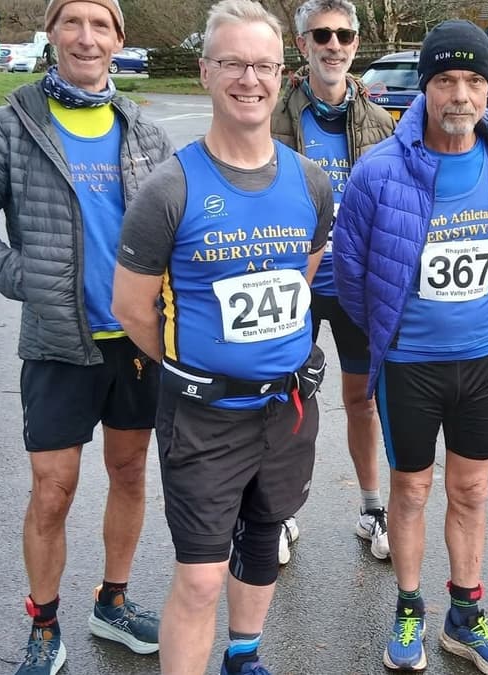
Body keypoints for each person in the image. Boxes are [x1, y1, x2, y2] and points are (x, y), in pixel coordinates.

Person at [0, 1, 175, 673]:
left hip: (136, 342)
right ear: (51, 32)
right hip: (57, 342)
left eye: (100, 24)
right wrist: (30, 281)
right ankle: (44, 623)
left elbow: (176, 230)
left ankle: (113, 600)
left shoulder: (144, 132)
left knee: (129, 472)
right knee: (53, 488)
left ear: (118, 39)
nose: (86, 37)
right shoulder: (10, 125)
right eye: (72, 21)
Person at [110, 1, 331, 673]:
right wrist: (199, 367)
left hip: (288, 411)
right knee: (202, 576)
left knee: (263, 543)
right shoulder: (169, 188)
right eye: (232, 63)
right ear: (205, 72)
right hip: (204, 419)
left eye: (263, 65)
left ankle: (244, 655)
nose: (249, 79)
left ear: (283, 74)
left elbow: (304, 275)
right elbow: (131, 308)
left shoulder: (310, 182)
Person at [334, 19, 488, 675]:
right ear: (425, 87)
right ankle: (410, 608)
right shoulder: (378, 171)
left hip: (480, 360)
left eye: (474, 80)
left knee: (471, 491)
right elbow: (352, 275)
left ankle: (464, 616)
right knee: (411, 491)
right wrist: (392, 333)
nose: (460, 95)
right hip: (409, 365)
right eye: (445, 80)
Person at [270, 0, 395, 565]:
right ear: (302, 44)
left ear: (356, 42)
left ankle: (372, 508)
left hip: (356, 285)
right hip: (294, 280)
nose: (334, 45)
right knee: (286, 399)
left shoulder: (380, 121)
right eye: (321, 35)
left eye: (344, 35)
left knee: (361, 400)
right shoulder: (274, 113)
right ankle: (278, 512)